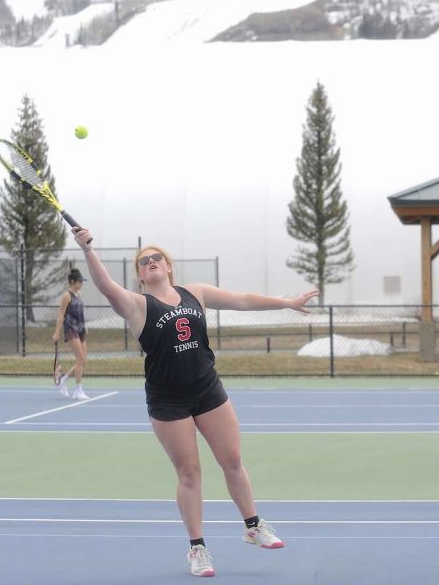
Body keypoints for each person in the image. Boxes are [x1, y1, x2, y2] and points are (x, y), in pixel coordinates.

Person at [72, 226, 318, 578]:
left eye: (158, 258)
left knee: (232, 460)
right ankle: (198, 549)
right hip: (168, 400)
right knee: (189, 473)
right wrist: (88, 250)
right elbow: (108, 287)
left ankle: (253, 526)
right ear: (140, 275)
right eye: (145, 261)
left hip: (208, 390)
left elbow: (243, 299)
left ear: (169, 267)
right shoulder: (138, 305)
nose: (152, 262)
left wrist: (288, 303)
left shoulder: (195, 294)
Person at [52, 268, 89, 400]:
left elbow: (80, 312)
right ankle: (78, 390)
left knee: (83, 360)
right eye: (79, 281)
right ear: (73, 281)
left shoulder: (78, 294)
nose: (81, 283)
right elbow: (61, 314)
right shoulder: (66, 296)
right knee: (80, 359)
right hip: (71, 329)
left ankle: (64, 380)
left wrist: (85, 327)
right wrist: (57, 332)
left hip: (80, 328)